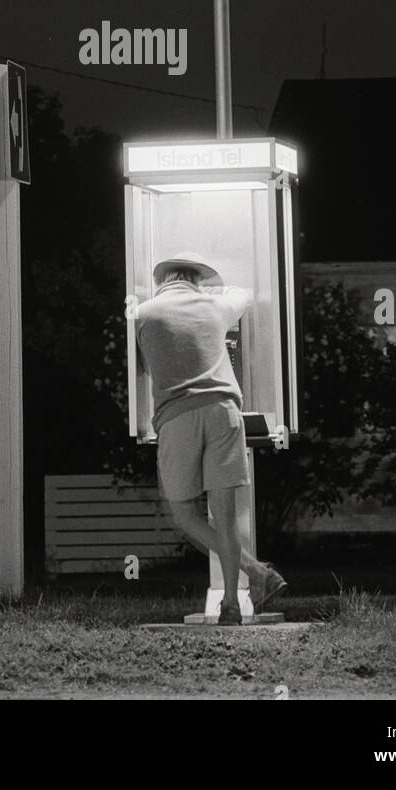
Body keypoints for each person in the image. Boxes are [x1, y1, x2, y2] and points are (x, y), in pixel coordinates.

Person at [135, 249, 288, 625]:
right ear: (196, 279)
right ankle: (236, 599)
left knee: (186, 512)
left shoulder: (144, 314)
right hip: (224, 411)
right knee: (225, 516)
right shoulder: (212, 308)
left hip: (176, 417)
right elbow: (244, 293)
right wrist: (213, 293)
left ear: (163, 281)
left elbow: (141, 367)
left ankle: (255, 574)